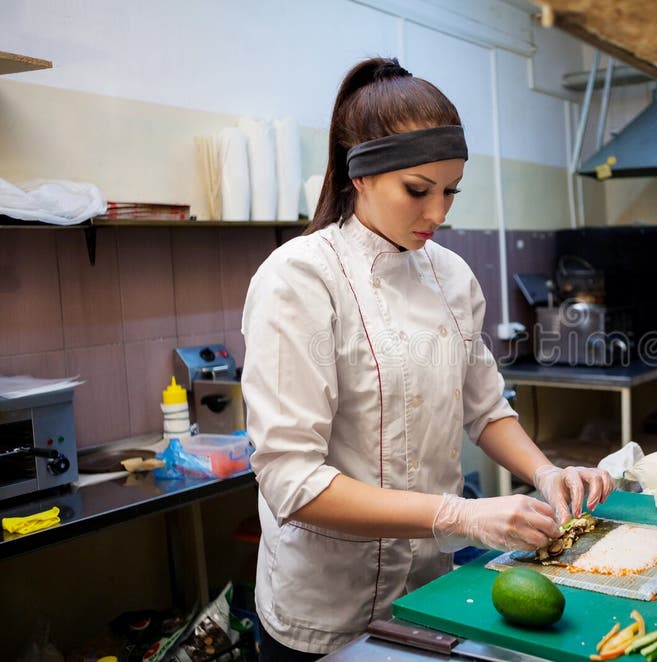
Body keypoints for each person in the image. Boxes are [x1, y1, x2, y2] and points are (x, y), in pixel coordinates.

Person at [241, 57, 615, 660]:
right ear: (358, 174)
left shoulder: (451, 277)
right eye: (418, 191)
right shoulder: (300, 278)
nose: (438, 214)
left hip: (432, 595)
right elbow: (292, 481)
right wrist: (461, 516)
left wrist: (546, 474)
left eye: (449, 192)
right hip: (323, 610)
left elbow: (487, 409)